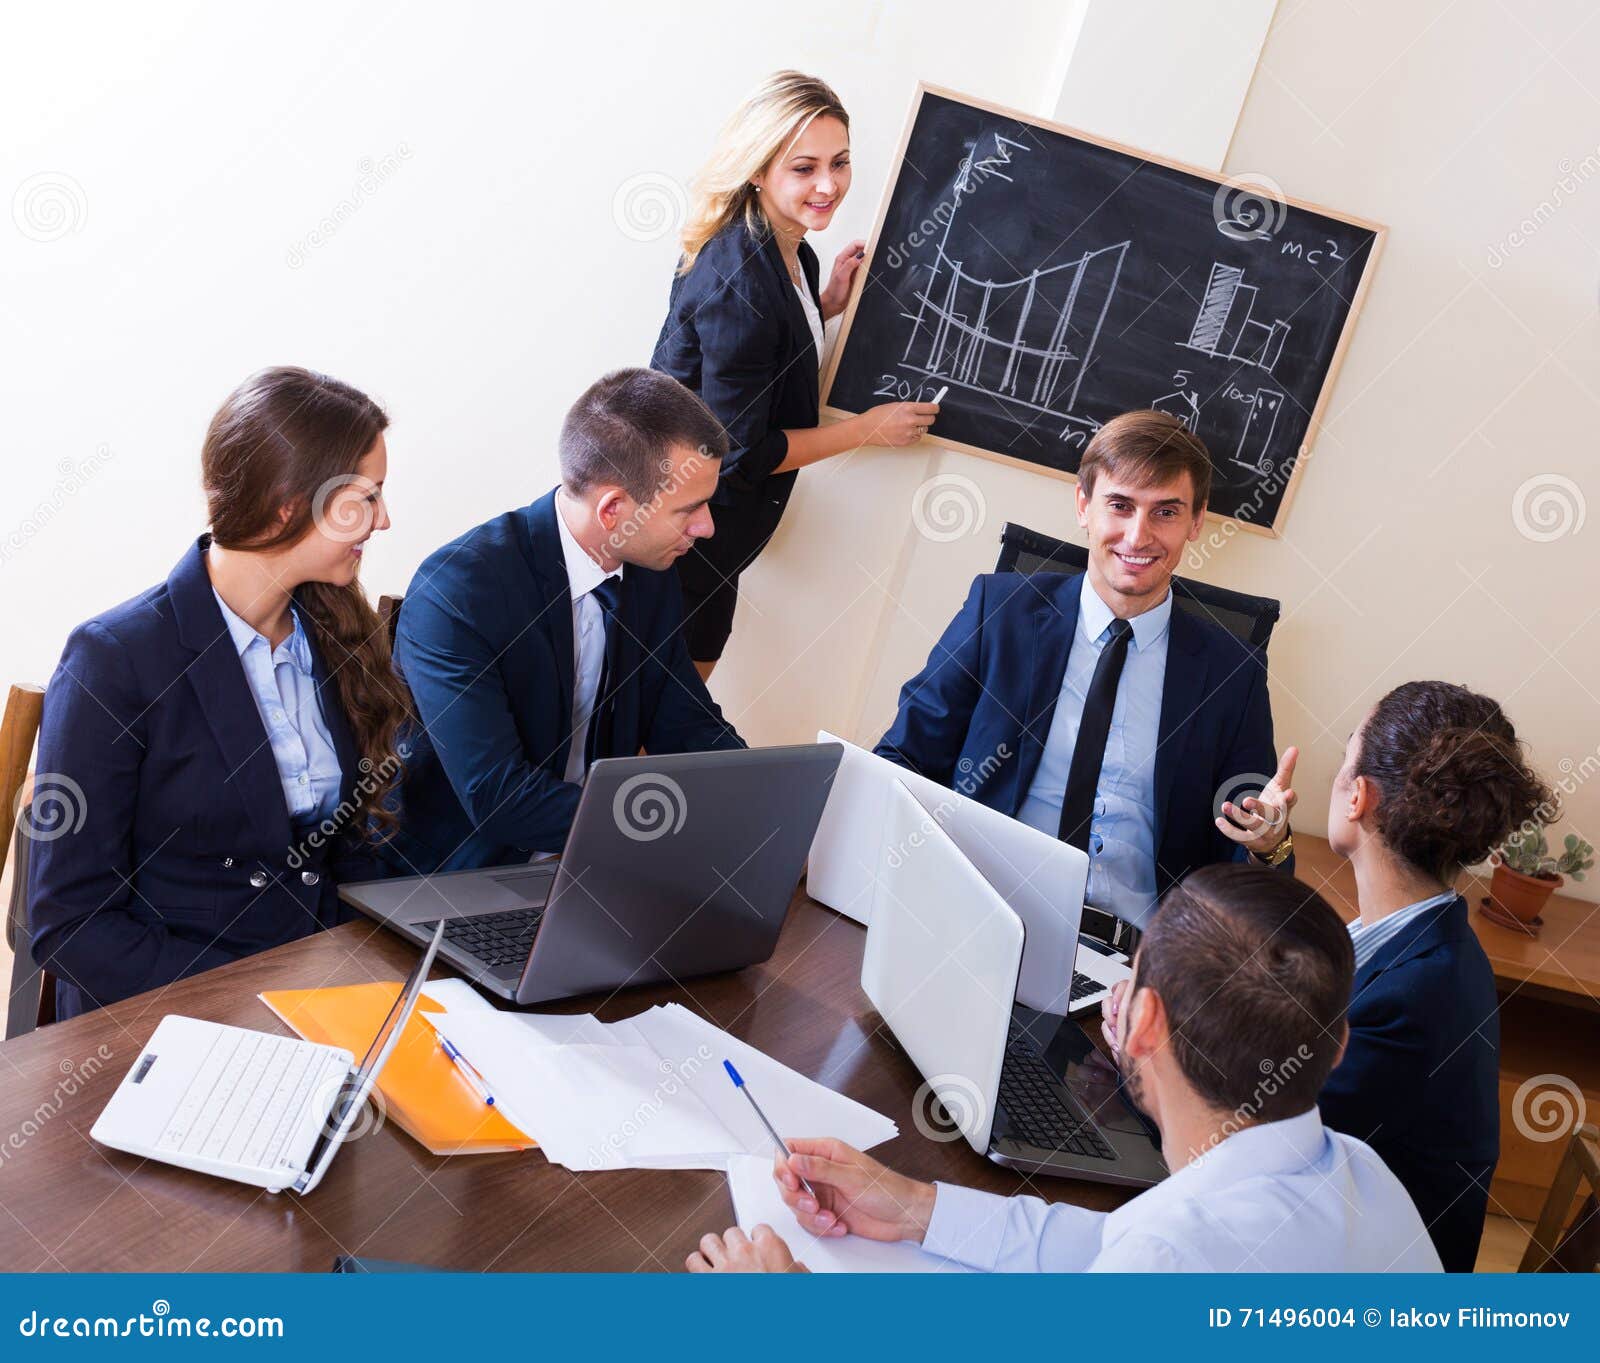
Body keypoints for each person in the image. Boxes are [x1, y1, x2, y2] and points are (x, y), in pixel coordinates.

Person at [685, 864, 1441, 1273]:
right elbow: (1113, 1246)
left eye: (1129, 977)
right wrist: (917, 1207)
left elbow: (1149, 1256)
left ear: (1141, 1022)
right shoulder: (1369, 1178)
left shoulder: (1172, 1257)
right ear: (1337, 1043)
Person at [28, 368, 408, 1020]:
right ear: (287, 502)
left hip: (320, 1003)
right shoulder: (114, 659)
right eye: (365, 498)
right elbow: (71, 925)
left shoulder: (334, 635)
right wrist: (260, 1003)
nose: (385, 519)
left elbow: (345, 859)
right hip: (169, 1020)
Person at [876, 410, 1294, 939]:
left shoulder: (1233, 672)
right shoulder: (998, 612)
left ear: (1196, 523)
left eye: (1166, 512)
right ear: (1083, 506)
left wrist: (1267, 845)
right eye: (1120, 505)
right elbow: (902, 759)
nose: (1138, 536)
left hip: (1130, 953)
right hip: (979, 918)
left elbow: (1247, 849)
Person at [390, 368, 745, 873]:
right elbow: (497, 796)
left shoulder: (651, 574)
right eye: (690, 509)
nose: (706, 527)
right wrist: (665, 829)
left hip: (586, 858)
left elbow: (687, 724)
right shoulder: (459, 591)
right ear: (613, 509)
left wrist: (761, 801)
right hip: (457, 879)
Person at [651, 70, 937, 676]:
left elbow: (762, 348)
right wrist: (868, 429)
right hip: (679, 535)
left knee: (673, 712)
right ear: (758, 169)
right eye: (804, 168)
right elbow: (742, 452)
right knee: (655, 717)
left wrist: (822, 303)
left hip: (713, 535)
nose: (829, 185)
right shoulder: (741, 278)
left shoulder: (793, 250)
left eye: (840, 163)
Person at [1318, 681, 1551, 1271]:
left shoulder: (1413, 998)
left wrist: (1146, 1053)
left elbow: (1258, 1140)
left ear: (1358, 797)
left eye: (1347, 754)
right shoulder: (1424, 938)